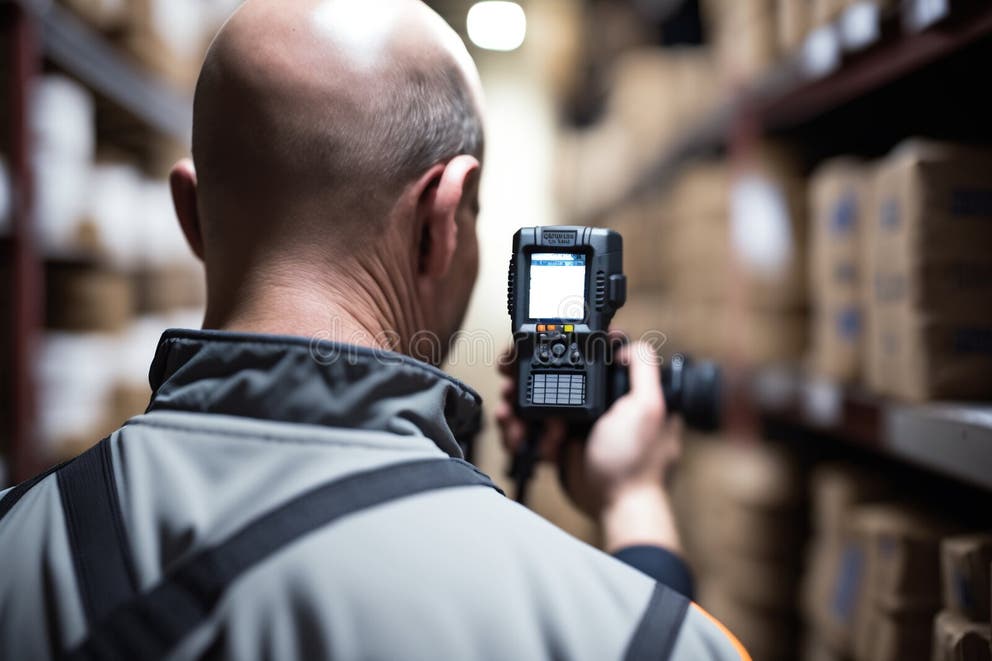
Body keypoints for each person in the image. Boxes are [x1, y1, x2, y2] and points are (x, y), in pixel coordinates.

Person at [0, 1, 749, 659]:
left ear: (191, 215)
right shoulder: (615, 628)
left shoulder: (16, 541)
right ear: (442, 221)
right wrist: (636, 504)